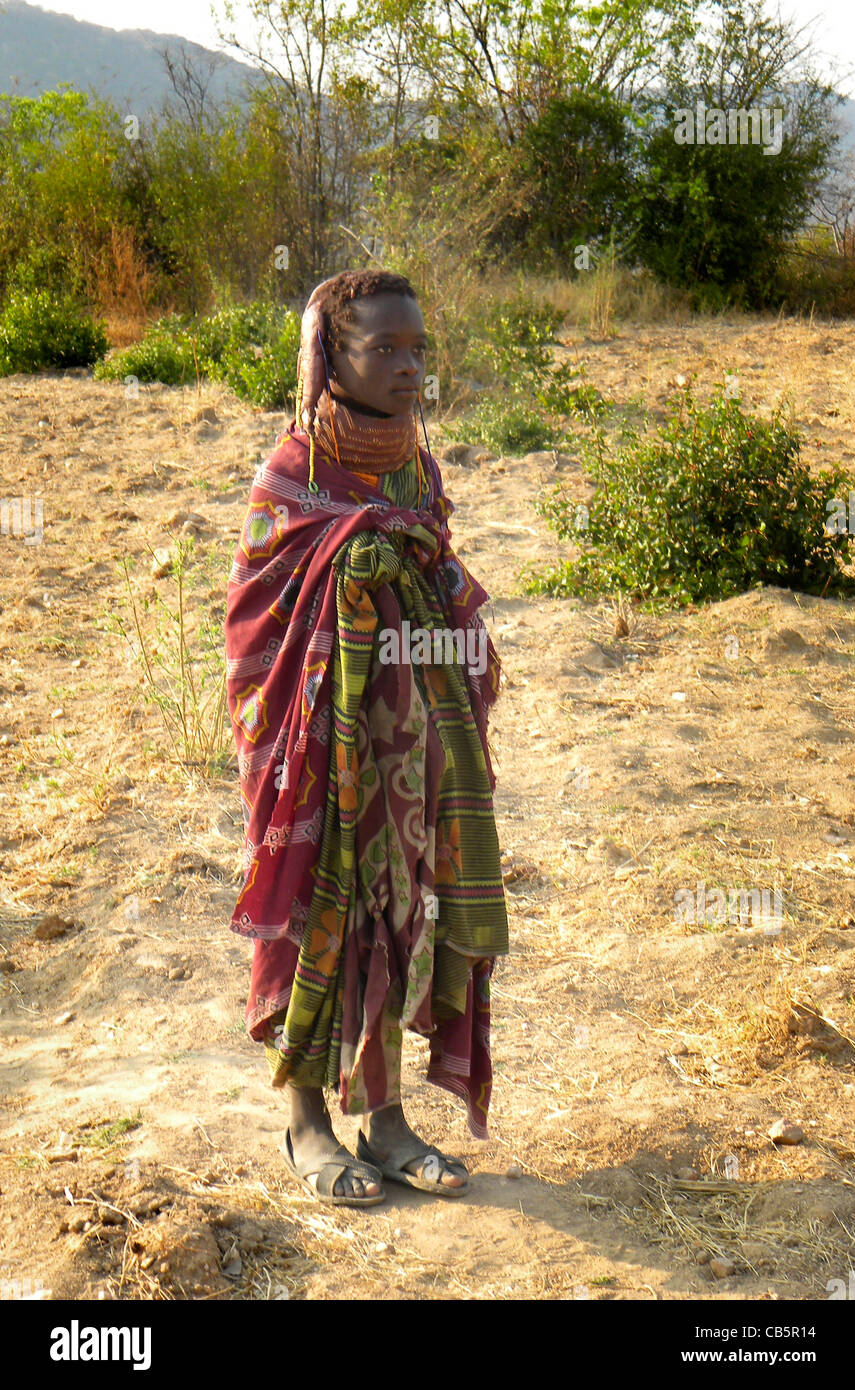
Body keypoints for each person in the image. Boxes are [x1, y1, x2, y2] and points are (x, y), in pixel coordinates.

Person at [225, 268, 509, 1206]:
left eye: (418, 348)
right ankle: (306, 1124)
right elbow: (258, 613)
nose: (408, 367)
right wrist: (351, 555)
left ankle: (385, 1123)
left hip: (409, 734)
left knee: (403, 905)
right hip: (321, 745)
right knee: (321, 907)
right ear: (331, 358)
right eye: (382, 348)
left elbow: (438, 564)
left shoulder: (415, 466)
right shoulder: (292, 473)